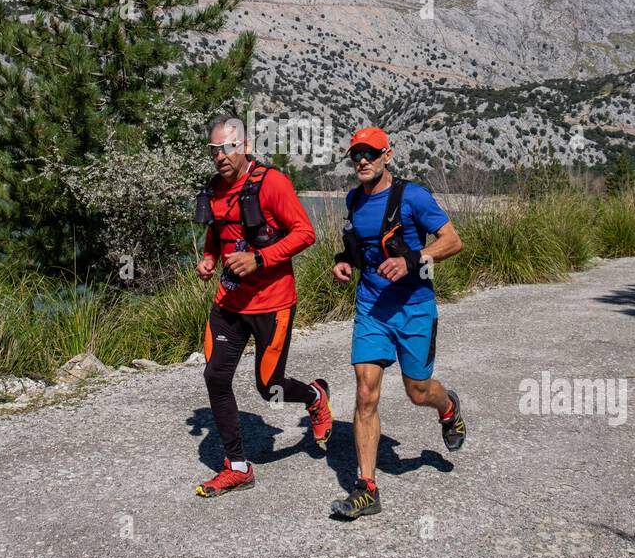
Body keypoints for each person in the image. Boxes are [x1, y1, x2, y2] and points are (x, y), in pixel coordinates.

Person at [192, 115, 333, 498]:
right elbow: (217, 231)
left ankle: (315, 397)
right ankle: (237, 466)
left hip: (273, 303)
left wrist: (259, 258)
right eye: (215, 149)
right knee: (215, 377)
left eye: (228, 146)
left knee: (269, 385)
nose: (221, 156)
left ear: (246, 146)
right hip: (230, 302)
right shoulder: (215, 189)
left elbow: (306, 232)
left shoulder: (271, 183)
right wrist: (209, 259)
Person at [329, 127, 466, 519]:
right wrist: (344, 261)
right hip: (372, 308)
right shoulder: (354, 199)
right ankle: (366, 487)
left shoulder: (413, 196)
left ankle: (448, 407)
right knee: (365, 393)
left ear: (387, 155)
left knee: (418, 390)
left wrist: (413, 259)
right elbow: (360, 247)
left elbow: (453, 241)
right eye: (356, 154)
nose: (362, 160)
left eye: (370, 153)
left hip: (415, 307)